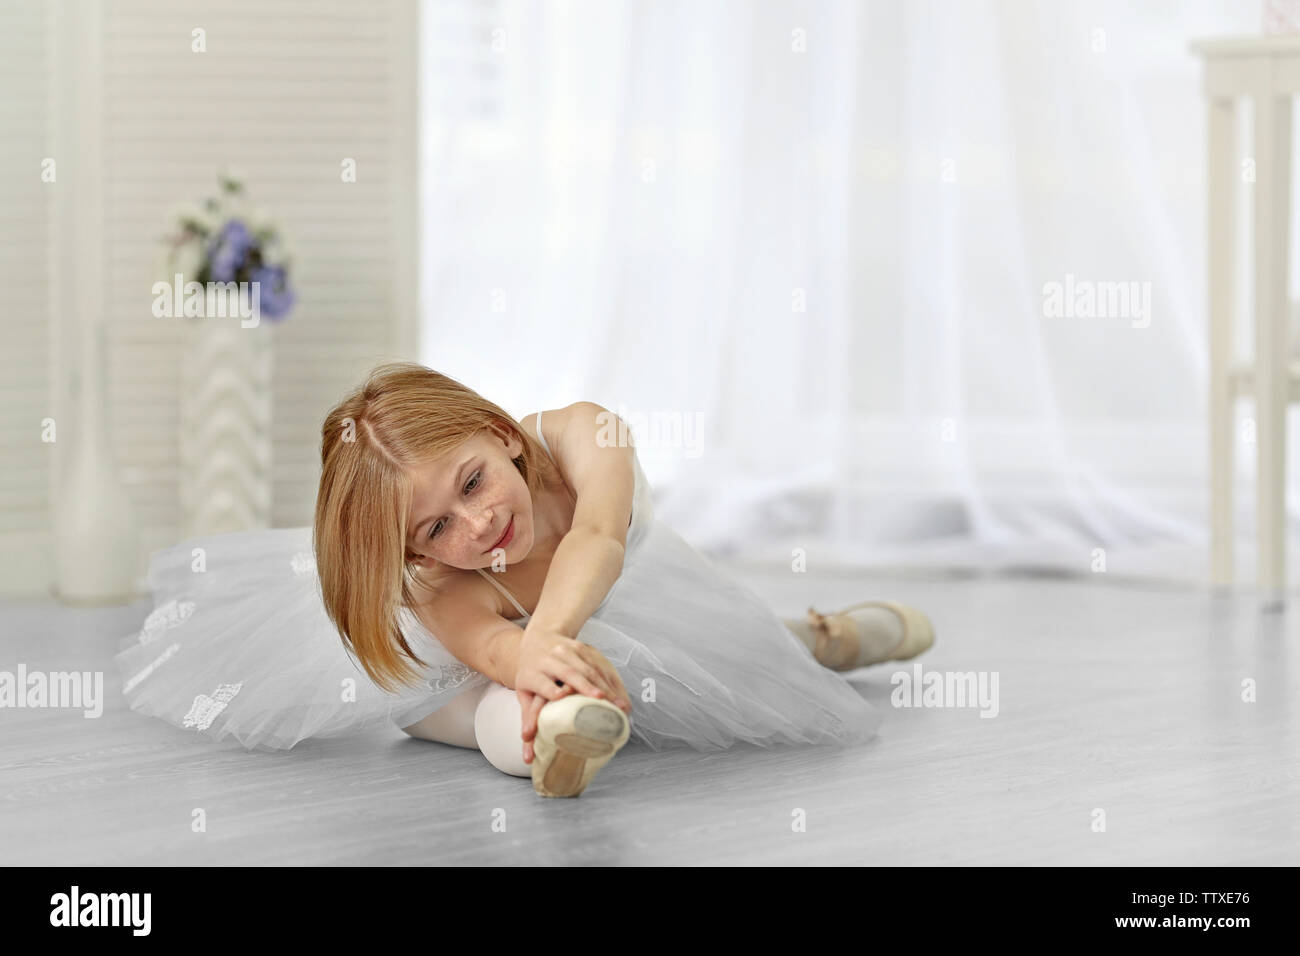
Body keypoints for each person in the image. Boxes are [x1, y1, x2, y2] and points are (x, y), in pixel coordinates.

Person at [115, 362, 935, 798]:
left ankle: (820, 639)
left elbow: (597, 535)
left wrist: (548, 636)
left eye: (472, 483)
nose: (475, 527)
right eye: (435, 528)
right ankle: (555, 744)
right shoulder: (434, 586)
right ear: (416, 552)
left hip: (589, 600)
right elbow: (496, 649)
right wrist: (536, 662)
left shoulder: (588, 433)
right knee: (483, 710)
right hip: (436, 675)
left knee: (729, 649)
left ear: (503, 433)